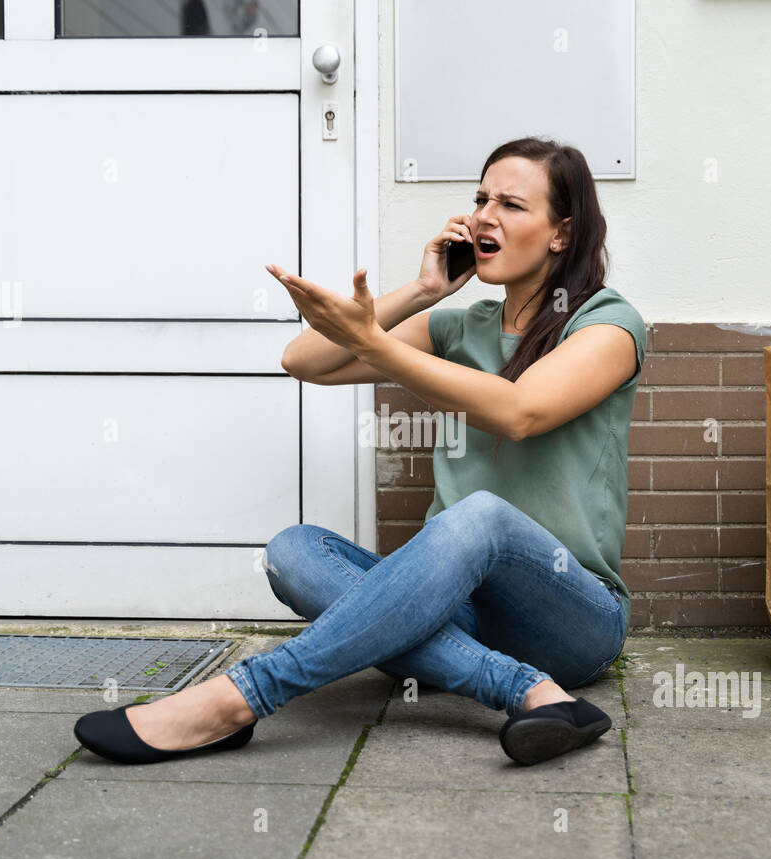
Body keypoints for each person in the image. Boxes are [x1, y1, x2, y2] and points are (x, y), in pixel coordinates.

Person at [74, 136, 646, 767]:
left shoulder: (608, 323)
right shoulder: (460, 326)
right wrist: (424, 291)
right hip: (458, 612)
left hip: (572, 615)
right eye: (480, 198)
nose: (484, 216)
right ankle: (529, 692)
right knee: (294, 552)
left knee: (480, 515)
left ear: (560, 234)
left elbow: (520, 412)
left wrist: (375, 343)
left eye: (511, 205)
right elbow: (305, 361)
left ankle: (240, 698)